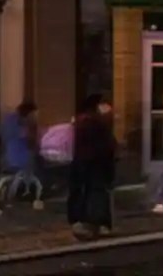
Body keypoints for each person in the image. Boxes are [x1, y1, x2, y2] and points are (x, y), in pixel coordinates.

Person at [68, 95, 116, 241]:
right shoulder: (98, 122)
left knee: (82, 191)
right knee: (97, 192)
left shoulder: (79, 122)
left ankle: (80, 221)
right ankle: (96, 223)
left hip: (81, 162)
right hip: (97, 163)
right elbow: (108, 145)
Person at [0, 101, 42, 207]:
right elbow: (32, 143)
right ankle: (28, 194)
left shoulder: (8, 121)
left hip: (8, 156)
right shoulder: (25, 125)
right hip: (21, 159)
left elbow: (1, 137)